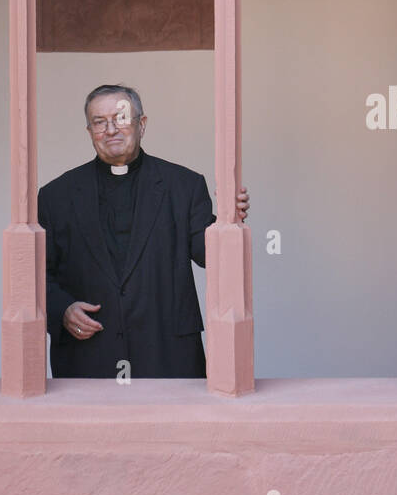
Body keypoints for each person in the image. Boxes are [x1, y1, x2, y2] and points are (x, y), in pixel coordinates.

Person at [37, 83, 249, 379]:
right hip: (88, 356)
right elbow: (33, 273)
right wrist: (63, 310)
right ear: (90, 132)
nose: (111, 129)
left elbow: (209, 254)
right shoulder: (55, 196)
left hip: (167, 352)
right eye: (100, 122)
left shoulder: (184, 186)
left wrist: (230, 222)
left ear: (142, 124)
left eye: (121, 117)